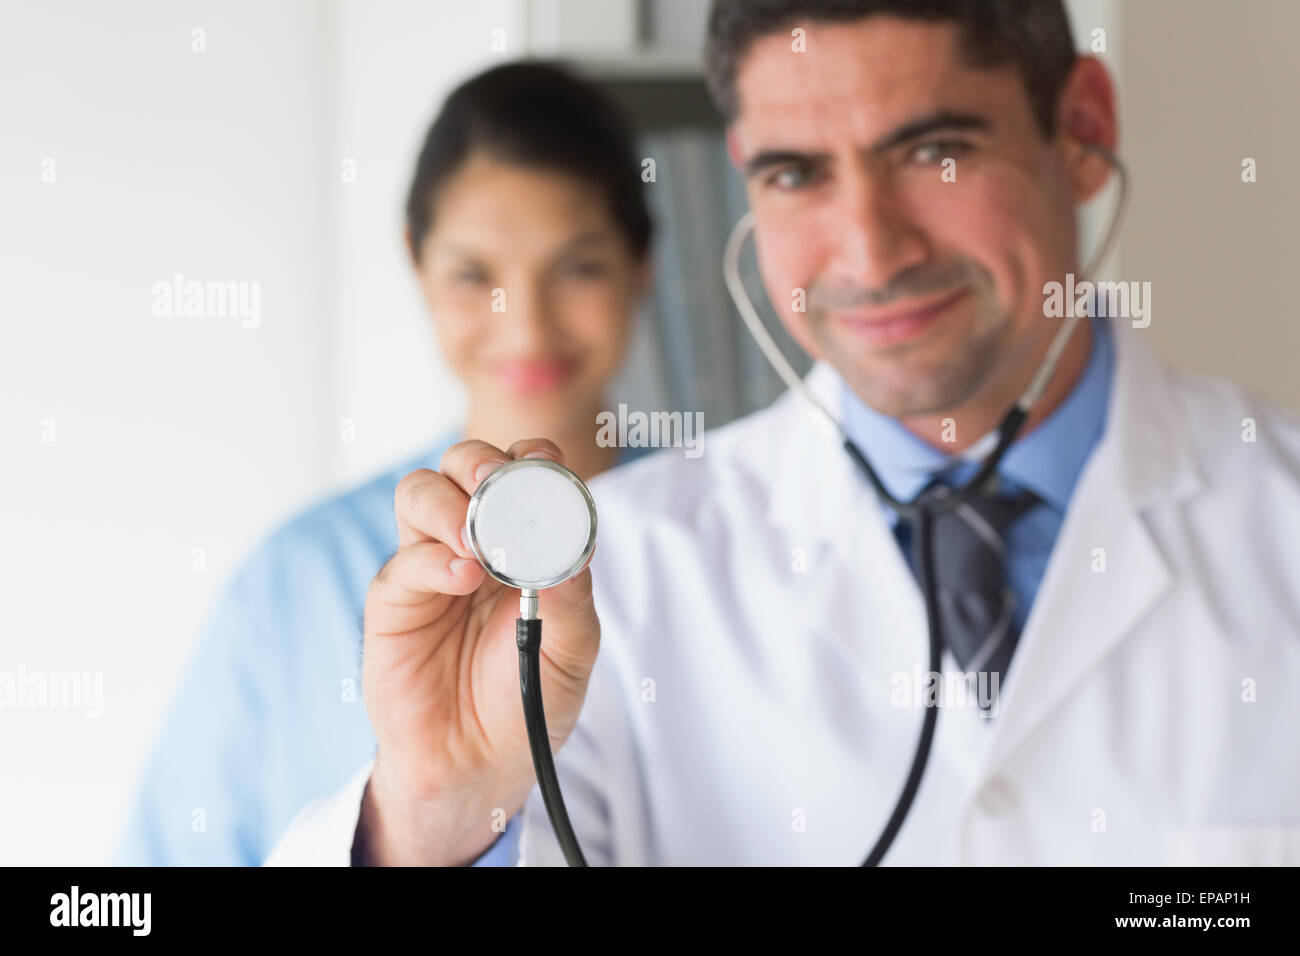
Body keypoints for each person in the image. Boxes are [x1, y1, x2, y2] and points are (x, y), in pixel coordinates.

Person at [267, 0, 1300, 866]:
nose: (869, 248)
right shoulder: (620, 576)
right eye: (797, 173)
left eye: (934, 152)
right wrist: (433, 814)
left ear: (1081, 126)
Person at [118, 61, 654, 865]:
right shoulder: (294, 581)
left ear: (641, 265)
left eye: (577, 268)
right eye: (475, 275)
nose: (526, 328)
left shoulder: (742, 535)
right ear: (417, 263)